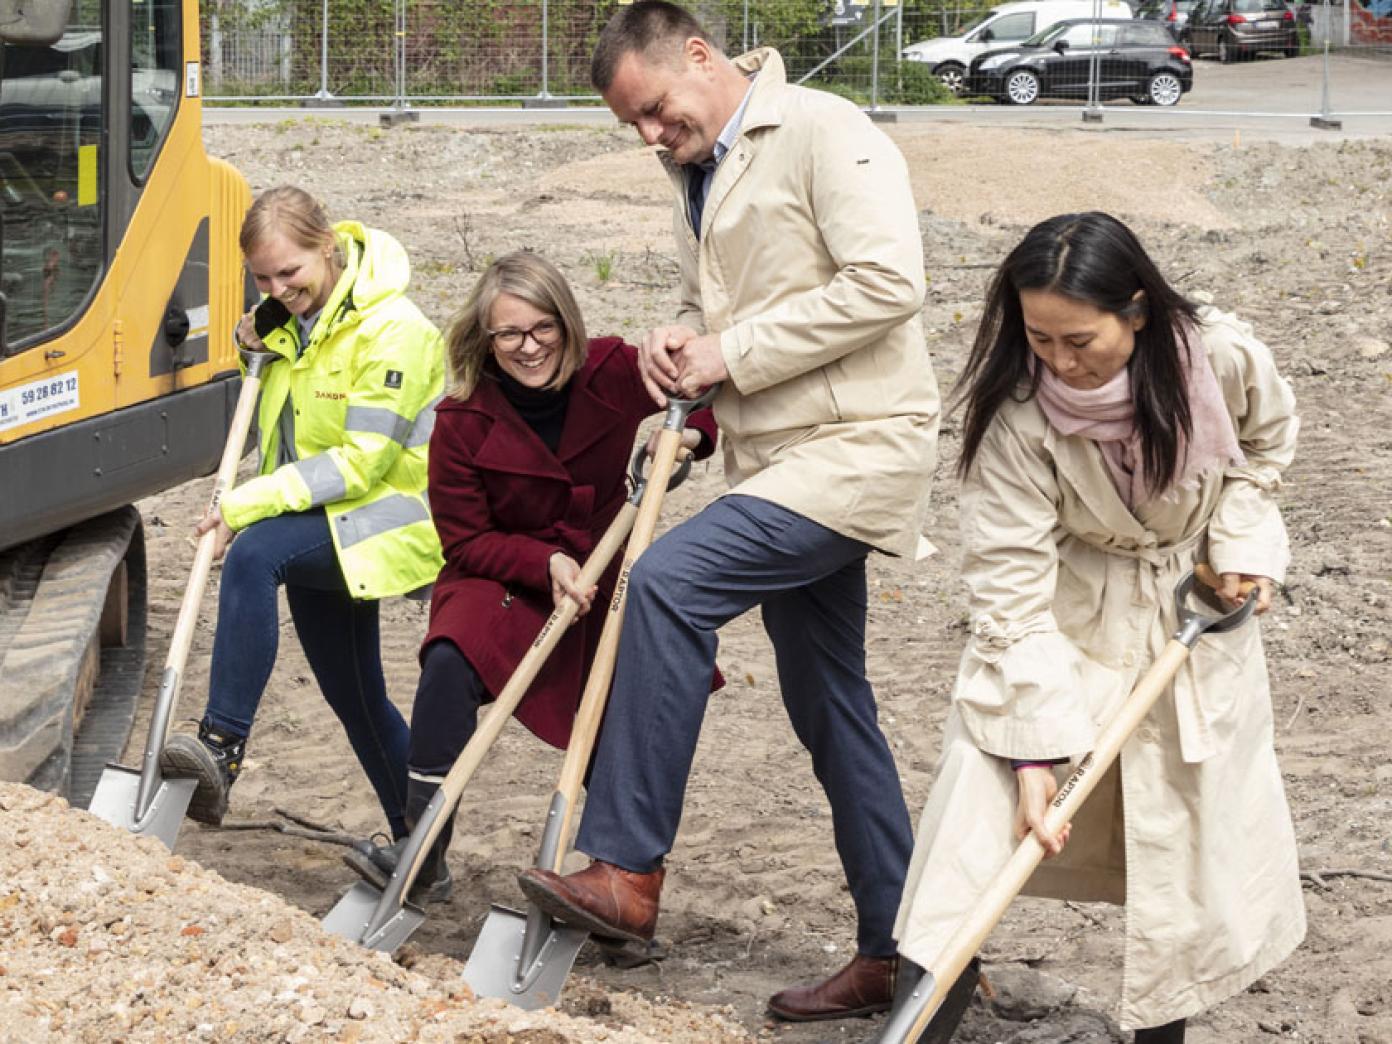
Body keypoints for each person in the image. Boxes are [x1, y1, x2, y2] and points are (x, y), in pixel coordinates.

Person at [517, 1, 941, 1024]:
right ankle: (903, 947)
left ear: (700, 56)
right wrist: (686, 347)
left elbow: (890, 281)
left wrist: (731, 357)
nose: (653, 137)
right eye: (635, 128)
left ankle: (626, 871)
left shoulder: (825, 131)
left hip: (856, 449)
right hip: (776, 459)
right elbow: (730, 307)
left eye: (658, 111)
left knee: (664, 585)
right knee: (828, 699)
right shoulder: (697, 172)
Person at [889, 212, 1304, 1043]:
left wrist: (1238, 547)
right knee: (970, 829)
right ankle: (917, 1022)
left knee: (1179, 850)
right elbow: (1009, 587)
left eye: (1078, 339)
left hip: (1187, 614)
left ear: (1139, 311)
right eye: (1038, 338)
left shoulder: (1219, 359)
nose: (1059, 363)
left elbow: (1264, 448)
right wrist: (1035, 751)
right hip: (1064, 617)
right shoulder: (1016, 417)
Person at [341, 250, 717, 902]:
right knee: (450, 661)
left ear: (566, 324)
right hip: (504, 574)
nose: (529, 346)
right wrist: (541, 563)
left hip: (605, 568)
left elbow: (697, 389)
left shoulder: (610, 369)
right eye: (509, 333)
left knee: (614, 710)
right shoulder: (461, 420)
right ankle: (422, 846)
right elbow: (465, 539)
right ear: (485, 338)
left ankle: (624, 881)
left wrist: (681, 439)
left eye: (542, 328)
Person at [160, 186, 446, 840]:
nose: (278, 289)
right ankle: (423, 848)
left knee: (256, 555)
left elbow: (359, 462)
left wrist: (243, 506)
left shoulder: (394, 330)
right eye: (261, 278)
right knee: (357, 700)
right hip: (326, 518)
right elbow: (290, 429)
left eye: (289, 273)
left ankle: (222, 745)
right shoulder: (294, 321)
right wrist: (252, 347)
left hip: (389, 517)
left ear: (328, 246)